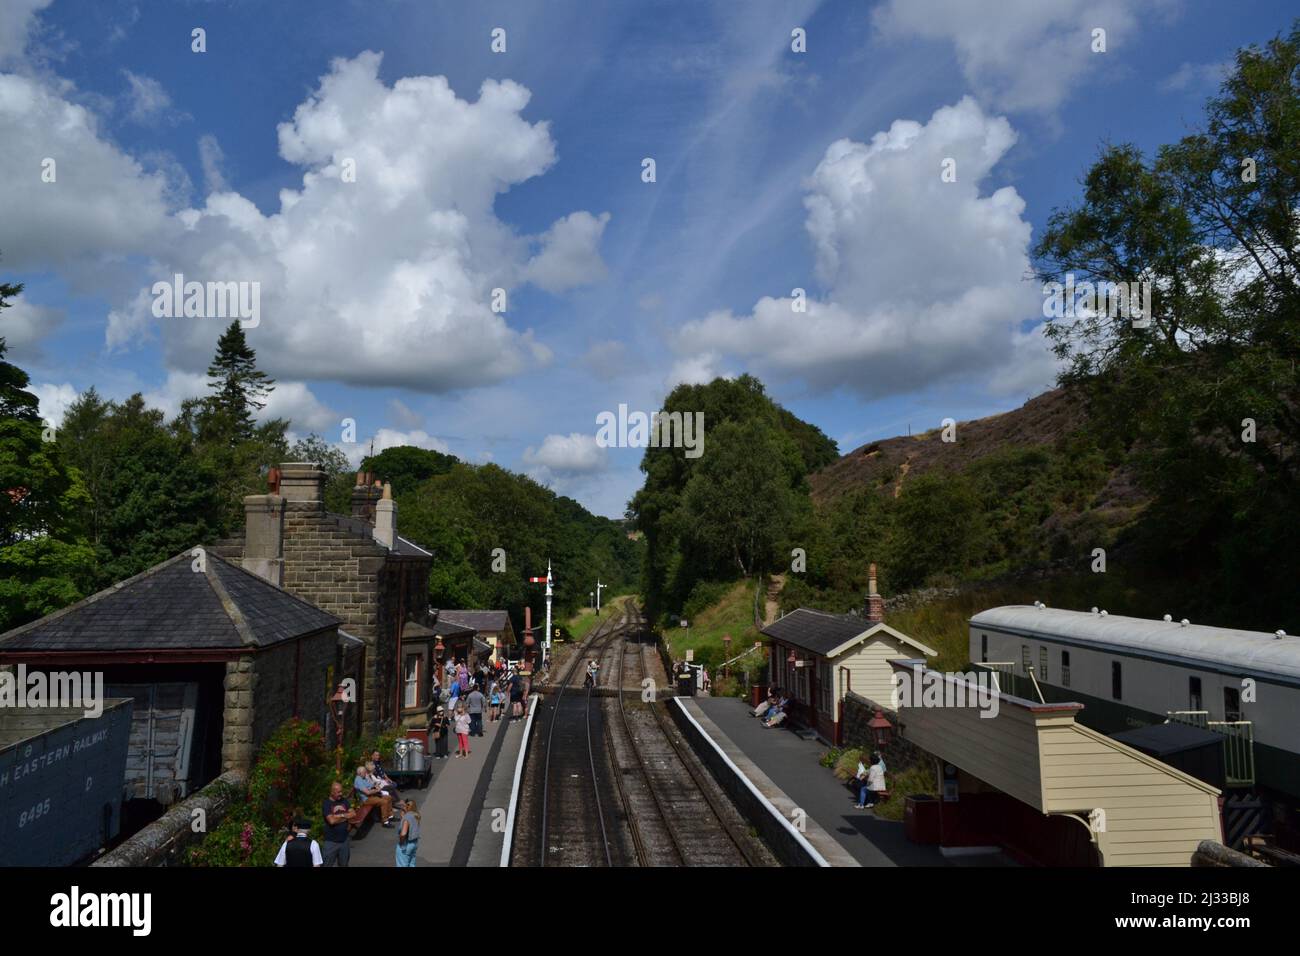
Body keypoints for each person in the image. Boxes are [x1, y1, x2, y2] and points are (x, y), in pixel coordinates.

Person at [321, 781, 355, 867]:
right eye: (338, 792)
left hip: (344, 839)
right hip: (331, 841)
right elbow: (331, 821)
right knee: (327, 864)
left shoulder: (344, 801)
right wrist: (346, 816)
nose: (341, 794)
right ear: (332, 792)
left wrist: (340, 816)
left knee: (344, 864)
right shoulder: (326, 804)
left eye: (341, 791)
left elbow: (353, 814)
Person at [395, 799, 420, 867]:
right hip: (414, 843)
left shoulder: (406, 818)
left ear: (405, 807)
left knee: (402, 864)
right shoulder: (416, 815)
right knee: (411, 864)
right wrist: (403, 816)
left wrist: (401, 844)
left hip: (406, 844)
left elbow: (403, 833)